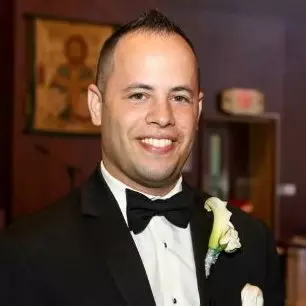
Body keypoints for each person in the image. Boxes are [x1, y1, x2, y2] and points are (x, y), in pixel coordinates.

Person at [0, 9, 284, 306]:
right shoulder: (28, 254)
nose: (162, 117)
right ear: (96, 106)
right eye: (139, 95)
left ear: (197, 111)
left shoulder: (253, 242)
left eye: (179, 97)